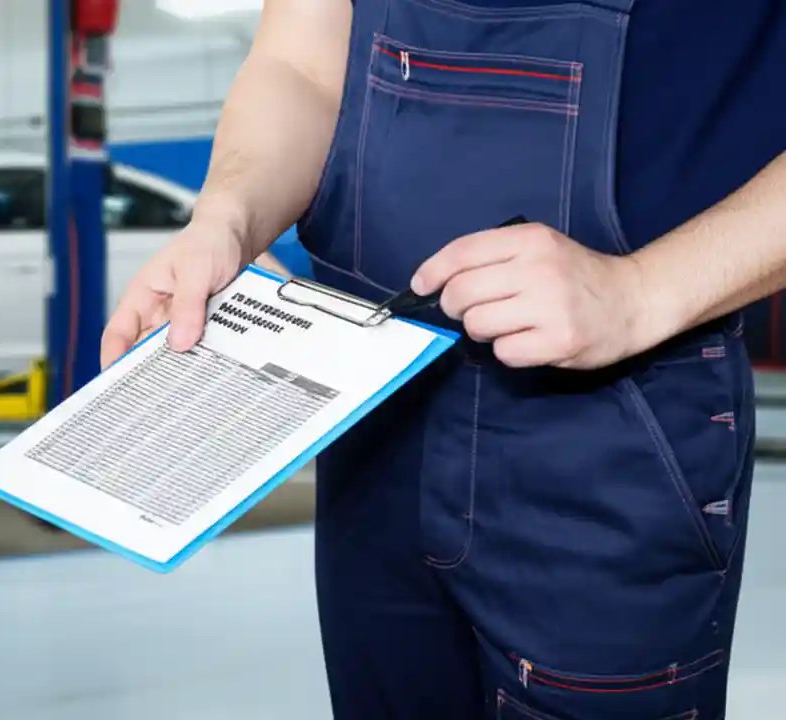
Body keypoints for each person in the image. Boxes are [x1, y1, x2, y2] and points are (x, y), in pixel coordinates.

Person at [101, 0, 786, 717]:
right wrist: (227, 217)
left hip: (611, 427)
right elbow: (300, 64)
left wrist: (646, 293)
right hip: (372, 414)